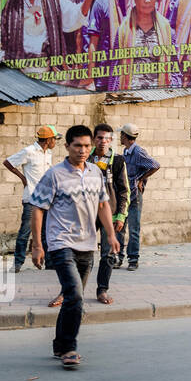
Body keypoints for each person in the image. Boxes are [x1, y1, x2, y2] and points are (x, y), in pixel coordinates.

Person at [28, 125, 119, 370]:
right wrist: (37, 245)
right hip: (60, 243)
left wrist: (110, 235)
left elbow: (103, 205)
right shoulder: (54, 174)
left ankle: (59, 344)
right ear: (67, 146)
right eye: (77, 145)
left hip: (87, 244)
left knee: (72, 299)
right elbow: (37, 208)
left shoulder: (95, 173)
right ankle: (69, 348)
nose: (83, 150)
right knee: (75, 295)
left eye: (87, 146)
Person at [113, 0, 182, 90]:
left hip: (159, 99)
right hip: (129, 98)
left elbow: (175, 71)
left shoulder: (167, 31)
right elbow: (115, 72)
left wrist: (172, 92)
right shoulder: (123, 30)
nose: (148, 0)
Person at [3, 125, 58, 272]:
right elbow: (8, 162)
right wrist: (22, 177)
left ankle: (50, 263)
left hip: (47, 198)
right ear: (48, 139)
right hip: (32, 198)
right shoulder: (29, 151)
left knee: (47, 232)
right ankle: (18, 263)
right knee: (25, 232)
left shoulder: (49, 153)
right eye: (54, 139)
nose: (55, 142)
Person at [86, 123, 129, 303]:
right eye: (99, 138)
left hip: (109, 214)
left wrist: (120, 215)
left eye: (107, 138)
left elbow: (124, 191)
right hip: (86, 214)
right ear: (94, 140)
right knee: (82, 254)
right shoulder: (85, 159)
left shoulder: (118, 161)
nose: (103, 141)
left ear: (111, 141)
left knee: (108, 253)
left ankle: (102, 290)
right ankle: (71, 290)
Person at [84, 0, 135, 89]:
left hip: (132, 74)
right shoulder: (101, 1)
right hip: (105, 75)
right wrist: (90, 79)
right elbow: (93, 43)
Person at [118, 123, 159, 270]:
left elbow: (155, 165)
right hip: (124, 195)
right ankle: (118, 257)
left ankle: (133, 259)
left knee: (134, 229)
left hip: (135, 195)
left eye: (121, 134)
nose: (120, 137)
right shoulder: (126, 151)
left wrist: (141, 179)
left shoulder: (138, 152)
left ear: (126, 137)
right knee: (120, 226)